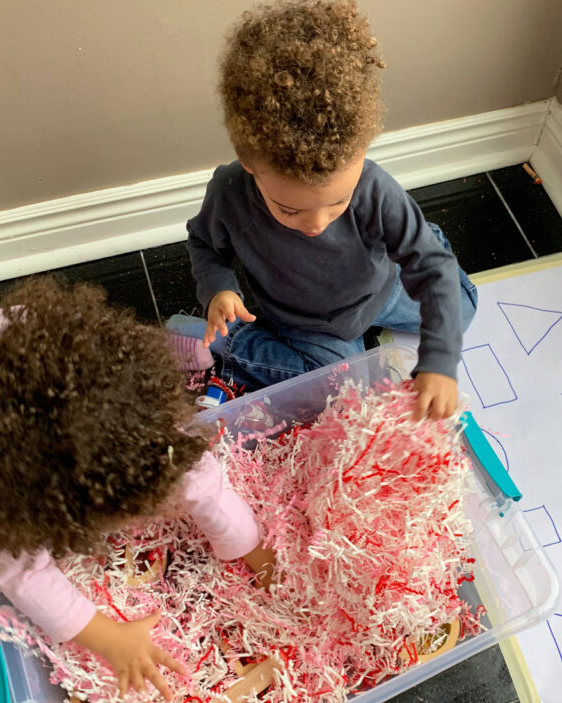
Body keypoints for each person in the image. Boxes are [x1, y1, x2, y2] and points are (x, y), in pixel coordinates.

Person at [0, 278, 274, 703]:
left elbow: (198, 475)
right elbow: (22, 574)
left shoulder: (134, 407)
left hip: (5, 346)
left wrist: (249, 545)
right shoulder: (0, 487)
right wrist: (110, 638)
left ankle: (170, 345)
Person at [182, 0, 477, 420]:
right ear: (250, 163)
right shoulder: (230, 192)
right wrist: (218, 289)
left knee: (462, 308)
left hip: (379, 290)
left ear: (361, 152)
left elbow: (432, 269)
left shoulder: (374, 187)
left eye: (338, 202)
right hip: (304, 321)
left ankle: (413, 234)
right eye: (290, 210)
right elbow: (203, 244)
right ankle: (212, 342)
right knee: (343, 392)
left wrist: (440, 363)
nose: (317, 224)